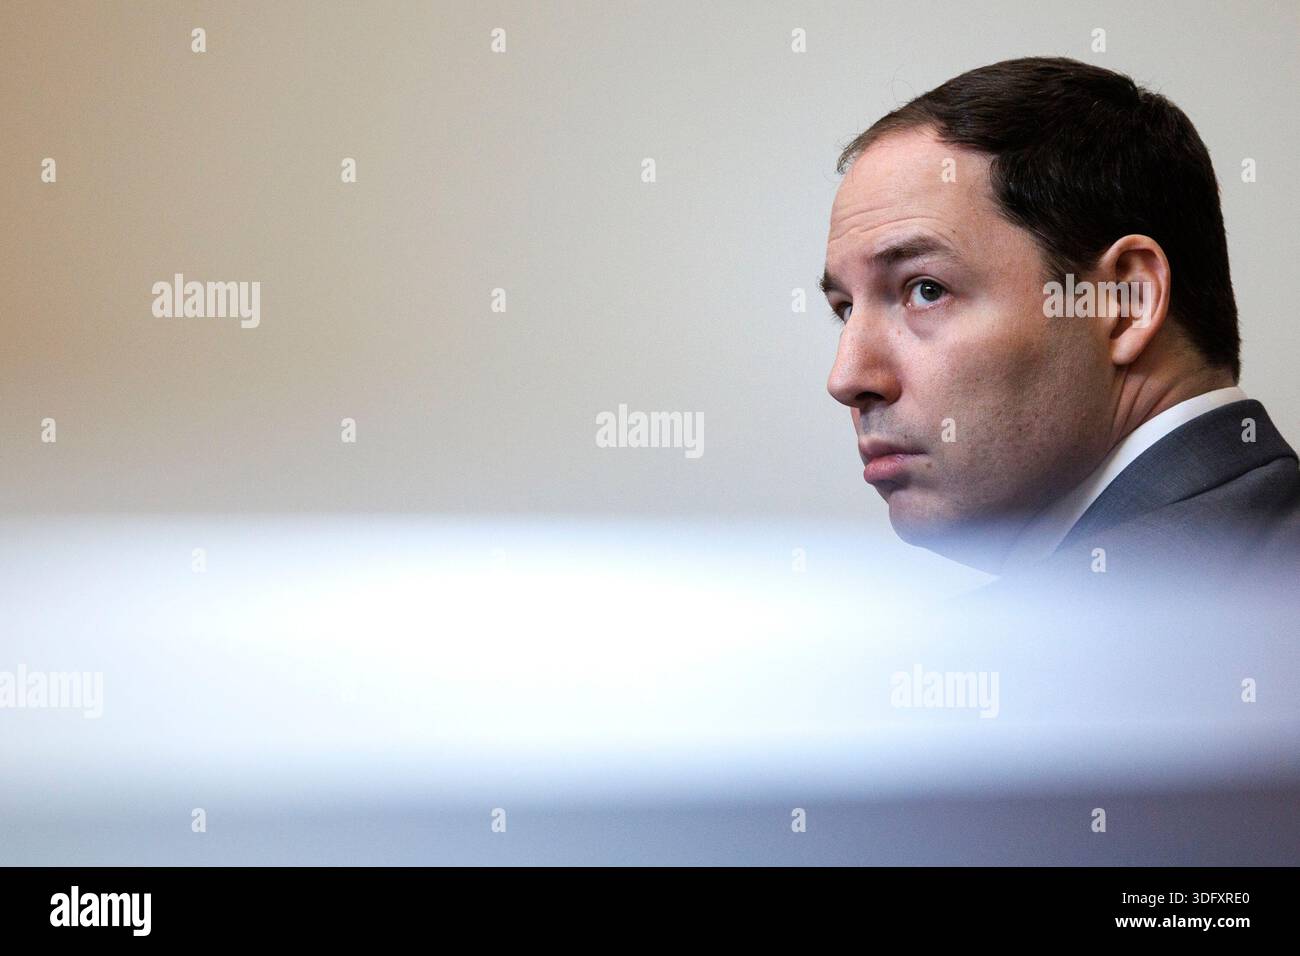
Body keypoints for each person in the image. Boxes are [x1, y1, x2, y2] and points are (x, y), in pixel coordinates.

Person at [819, 56, 1298, 591]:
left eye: (925, 290)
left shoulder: (1025, 649)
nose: (847, 378)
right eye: (845, 308)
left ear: (1126, 300)